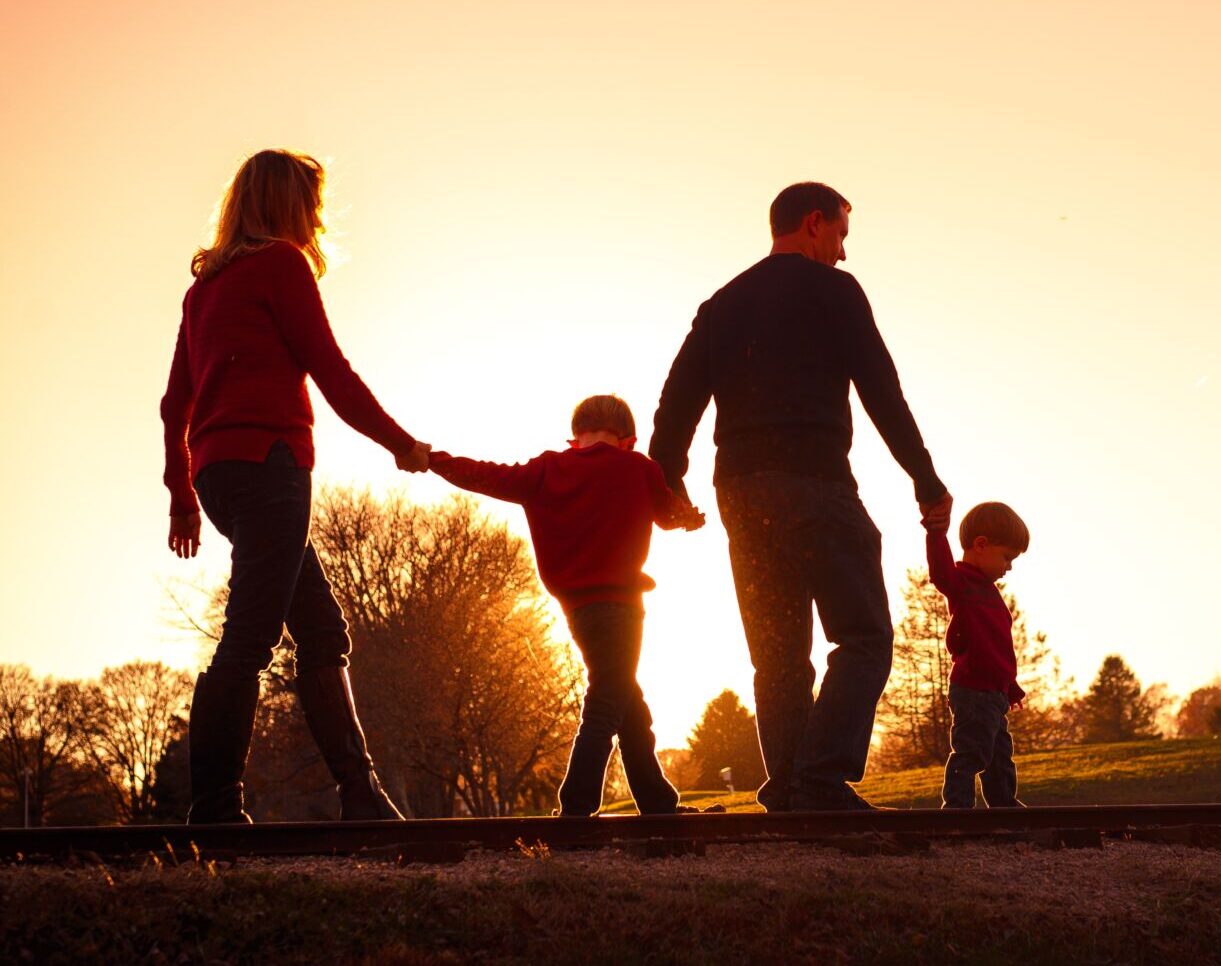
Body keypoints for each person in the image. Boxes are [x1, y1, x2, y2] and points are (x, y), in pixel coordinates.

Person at [650, 182, 953, 811]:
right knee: (863, 634)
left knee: (778, 653)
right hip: (814, 483)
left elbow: (676, 401)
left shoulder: (723, 304)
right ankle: (819, 778)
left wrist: (666, 485)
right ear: (813, 223)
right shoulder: (836, 293)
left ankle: (789, 788)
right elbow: (881, 391)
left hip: (740, 489)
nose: (843, 253)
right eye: (841, 234)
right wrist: (925, 479)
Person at [161, 149, 427, 824]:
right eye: (309, 202)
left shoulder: (203, 290)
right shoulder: (280, 264)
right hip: (271, 464)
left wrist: (182, 492)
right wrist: (400, 444)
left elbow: (175, 403)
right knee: (248, 640)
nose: (315, 217)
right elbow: (330, 370)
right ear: (286, 205)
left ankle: (362, 795)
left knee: (319, 627)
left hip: (218, 474)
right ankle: (215, 808)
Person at [428, 395, 705, 816]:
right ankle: (575, 810)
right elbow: (669, 517)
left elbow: (487, 476)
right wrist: (689, 516)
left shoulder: (547, 469)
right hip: (623, 609)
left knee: (629, 705)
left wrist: (435, 460)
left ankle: (659, 805)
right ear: (628, 439)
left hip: (578, 613)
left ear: (575, 437)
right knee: (607, 702)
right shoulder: (639, 468)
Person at [929, 502, 1030, 809]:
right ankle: (957, 808)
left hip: (994, 693)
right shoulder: (962, 583)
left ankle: (1003, 806)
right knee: (971, 750)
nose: (1009, 567)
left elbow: (998, 648)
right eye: (1007, 557)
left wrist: (1009, 687)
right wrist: (936, 533)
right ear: (981, 545)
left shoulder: (991, 594)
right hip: (972, 689)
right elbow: (939, 571)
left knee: (999, 755)